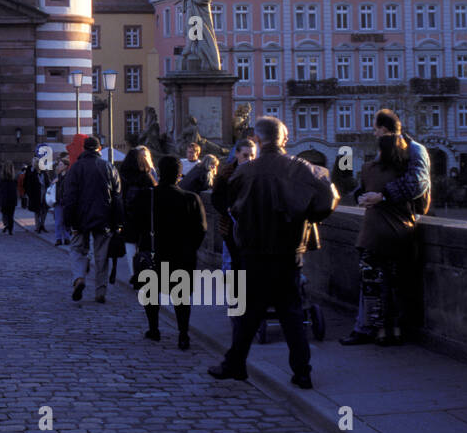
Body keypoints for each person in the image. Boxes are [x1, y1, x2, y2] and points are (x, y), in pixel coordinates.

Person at [209, 117, 339, 389]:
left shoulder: (246, 172)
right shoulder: (303, 168)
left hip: (253, 251)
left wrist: (222, 181)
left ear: (257, 140)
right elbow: (329, 198)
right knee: (291, 312)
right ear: (285, 138)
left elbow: (222, 204)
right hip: (288, 250)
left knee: (249, 313)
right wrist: (307, 217)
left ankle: (235, 364)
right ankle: (302, 371)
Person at [341, 133, 419, 346]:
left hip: (373, 235)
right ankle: (396, 329)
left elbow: (360, 194)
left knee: (372, 286)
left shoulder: (368, 169)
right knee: (395, 285)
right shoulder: (405, 172)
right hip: (400, 235)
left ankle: (378, 330)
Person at [139, 156, 208, 349]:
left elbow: (137, 223)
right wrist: (191, 247)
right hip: (182, 255)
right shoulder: (191, 198)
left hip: (154, 253)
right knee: (181, 297)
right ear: (179, 175)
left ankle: (154, 329)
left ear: (159, 172)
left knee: (151, 294)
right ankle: (183, 334)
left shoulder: (148, 196)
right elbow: (202, 229)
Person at [63, 136, 124, 303]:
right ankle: (100, 291)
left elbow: (69, 197)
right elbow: (118, 197)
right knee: (101, 256)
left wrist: (68, 220)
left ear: (84, 149)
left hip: (79, 217)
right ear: (99, 149)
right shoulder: (108, 167)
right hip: (104, 217)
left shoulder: (75, 168)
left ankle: (79, 278)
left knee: (77, 250)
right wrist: (118, 222)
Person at [215, 138, 258, 271]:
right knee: (232, 263)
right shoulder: (226, 173)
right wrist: (226, 209)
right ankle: (233, 290)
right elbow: (216, 197)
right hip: (230, 226)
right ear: (237, 154)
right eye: (246, 155)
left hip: (252, 227)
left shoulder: (258, 173)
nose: (249, 159)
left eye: (252, 155)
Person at [118, 146, 158, 284]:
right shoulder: (146, 176)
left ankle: (133, 272)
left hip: (128, 217)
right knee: (145, 247)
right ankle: (144, 273)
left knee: (130, 246)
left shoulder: (123, 175)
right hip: (145, 217)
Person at [24, 158, 51, 233]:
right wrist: (29, 195)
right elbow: (28, 184)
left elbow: (47, 182)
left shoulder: (44, 172)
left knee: (44, 210)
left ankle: (42, 225)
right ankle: (38, 226)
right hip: (36, 194)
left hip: (45, 193)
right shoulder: (32, 173)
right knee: (37, 211)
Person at [0, 161, 18, 233]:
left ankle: (6, 224)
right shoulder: (14, 178)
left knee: (4, 213)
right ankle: (10, 229)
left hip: (4, 197)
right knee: (11, 214)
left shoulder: (1, 178)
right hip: (12, 197)